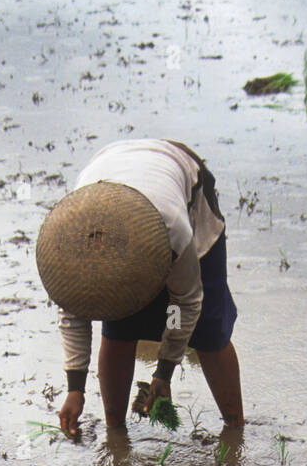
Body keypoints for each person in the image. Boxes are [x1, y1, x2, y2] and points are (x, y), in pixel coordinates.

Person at [35, 138, 244, 434]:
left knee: (209, 331)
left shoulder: (175, 228)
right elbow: (73, 312)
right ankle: (115, 434)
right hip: (111, 167)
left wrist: (164, 372)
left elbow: (184, 303)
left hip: (178, 182)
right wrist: (75, 389)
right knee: (120, 325)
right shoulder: (70, 239)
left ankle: (234, 428)